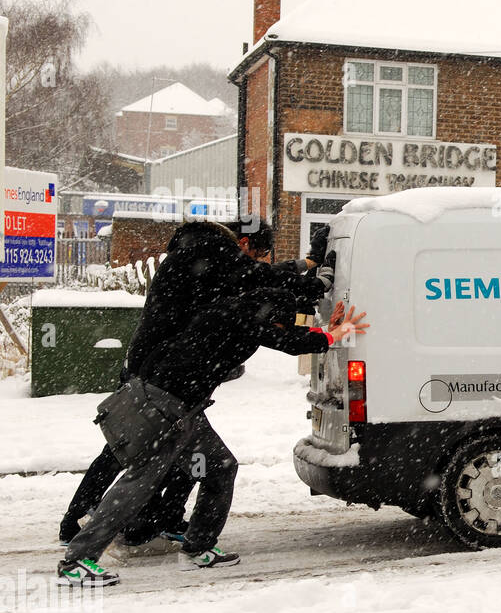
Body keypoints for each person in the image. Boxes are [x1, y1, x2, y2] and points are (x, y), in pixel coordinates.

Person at [57, 290, 368, 586]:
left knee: (218, 466)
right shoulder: (246, 320)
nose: (280, 324)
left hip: (178, 407)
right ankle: (77, 560)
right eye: (281, 319)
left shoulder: (229, 311)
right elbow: (285, 339)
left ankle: (198, 546)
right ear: (271, 314)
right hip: (165, 410)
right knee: (139, 482)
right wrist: (331, 335)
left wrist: (326, 330)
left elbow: (284, 333)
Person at [57, 217, 331, 545]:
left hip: (159, 368)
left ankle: (146, 519)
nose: (255, 261)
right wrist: (317, 280)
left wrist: (308, 266)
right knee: (142, 452)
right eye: (256, 253)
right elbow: (257, 279)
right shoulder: (211, 253)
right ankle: (99, 527)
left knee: (166, 450)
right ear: (243, 244)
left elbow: (254, 283)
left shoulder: (199, 252)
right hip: (159, 375)